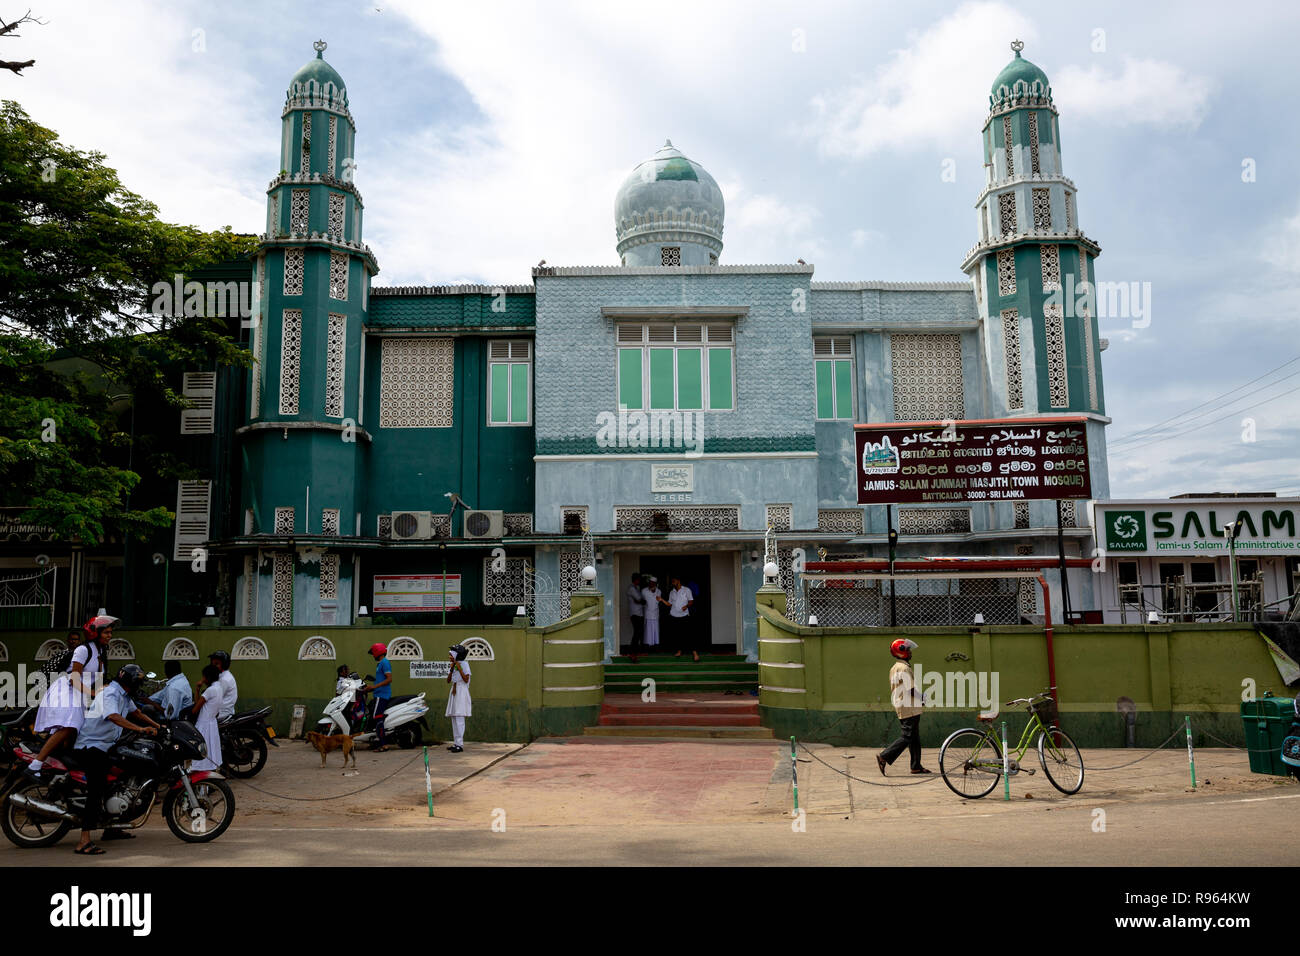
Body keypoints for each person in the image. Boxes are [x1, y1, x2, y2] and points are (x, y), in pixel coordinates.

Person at [70, 664, 160, 855]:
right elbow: (113, 716)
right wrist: (140, 729)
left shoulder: (123, 695)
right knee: (98, 787)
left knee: (120, 778)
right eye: (138, 682)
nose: (140, 685)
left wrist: (158, 725)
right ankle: (83, 841)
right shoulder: (110, 694)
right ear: (131, 683)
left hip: (106, 745)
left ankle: (112, 828)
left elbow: (137, 713)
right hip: (91, 747)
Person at [26, 616, 114, 779]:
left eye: (110, 632)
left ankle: (67, 764)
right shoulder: (83, 650)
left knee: (79, 729)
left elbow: (96, 679)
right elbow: (74, 678)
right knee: (69, 726)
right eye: (106, 632)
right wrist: (93, 693)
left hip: (80, 693)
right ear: (95, 633)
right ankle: (35, 765)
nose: (110, 635)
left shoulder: (101, 652)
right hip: (66, 689)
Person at [877, 638, 930, 775]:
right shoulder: (904, 668)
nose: (910, 652)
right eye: (908, 650)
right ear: (901, 652)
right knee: (907, 736)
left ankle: (916, 766)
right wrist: (921, 698)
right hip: (908, 706)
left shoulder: (895, 667)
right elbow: (910, 689)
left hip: (904, 705)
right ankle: (884, 756)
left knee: (914, 738)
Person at [189, 664, 224, 772]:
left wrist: (197, 689)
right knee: (211, 751)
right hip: (212, 723)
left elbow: (195, 709)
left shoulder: (210, 691)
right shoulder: (219, 688)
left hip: (203, 724)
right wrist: (198, 689)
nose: (202, 679)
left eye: (203, 677)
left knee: (201, 754)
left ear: (207, 677)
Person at [363, 643, 392, 752]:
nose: (373, 656)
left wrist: (374, 687)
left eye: (373, 654)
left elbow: (389, 679)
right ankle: (377, 742)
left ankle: (383, 745)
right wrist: (371, 687)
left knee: (377, 718)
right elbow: (381, 679)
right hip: (378, 693)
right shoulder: (381, 664)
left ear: (377, 652)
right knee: (375, 717)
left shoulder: (385, 662)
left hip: (382, 695)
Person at [445, 643, 472, 753]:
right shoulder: (453, 665)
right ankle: (456, 743)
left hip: (461, 691)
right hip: (454, 692)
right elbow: (448, 681)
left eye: (451, 655)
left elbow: (466, 679)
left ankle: (460, 745)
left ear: (456, 655)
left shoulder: (464, 664)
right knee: (454, 718)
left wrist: (459, 668)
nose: (449, 657)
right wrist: (451, 669)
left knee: (460, 718)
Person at [668, 577, 698, 662]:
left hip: (684, 615)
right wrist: (661, 600)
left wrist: (686, 606)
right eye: (672, 582)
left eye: (674, 581)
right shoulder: (672, 592)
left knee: (688, 635)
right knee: (678, 635)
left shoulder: (686, 590)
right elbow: (669, 604)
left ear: (678, 581)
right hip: (674, 616)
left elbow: (691, 601)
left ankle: (695, 653)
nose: (673, 583)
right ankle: (679, 651)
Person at [208, 650, 237, 721]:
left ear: (224, 665)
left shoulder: (224, 679)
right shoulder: (222, 676)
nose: (213, 666)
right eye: (212, 664)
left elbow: (214, 698)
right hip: (222, 712)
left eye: (216, 664)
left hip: (222, 714)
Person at [641, 577, 668, 652]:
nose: (651, 584)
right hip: (647, 613)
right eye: (650, 582)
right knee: (648, 630)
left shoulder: (658, 591)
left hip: (655, 613)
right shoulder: (644, 591)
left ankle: (655, 646)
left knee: (655, 630)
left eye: (653, 583)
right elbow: (642, 601)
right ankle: (647, 645)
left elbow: (657, 600)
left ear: (655, 584)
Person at [626, 573, 646, 662]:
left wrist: (641, 601)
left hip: (639, 613)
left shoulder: (636, 588)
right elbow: (640, 599)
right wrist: (641, 601)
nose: (640, 581)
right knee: (637, 633)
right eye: (639, 579)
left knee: (639, 633)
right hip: (635, 614)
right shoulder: (631, 589)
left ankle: (636, 651)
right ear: (636, 580)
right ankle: (632, 653)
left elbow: (641, 600)